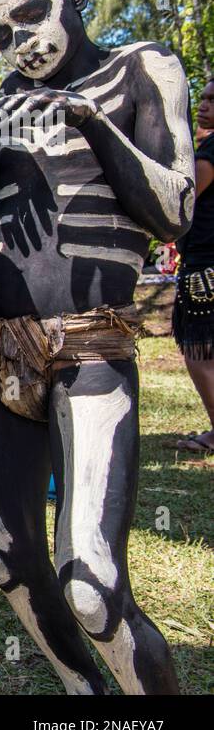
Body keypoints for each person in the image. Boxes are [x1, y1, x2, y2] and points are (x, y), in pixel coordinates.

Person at [0, 0, 191, 694]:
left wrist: (92, 124)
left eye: (32, 17)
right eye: (1, 34)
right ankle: (87, 694)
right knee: (7, 559)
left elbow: (173, 209)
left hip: (91, 346)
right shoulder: (6, 99)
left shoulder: (142, 68)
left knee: (91, 578)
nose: (22, 42)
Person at [174, 79, 214, 453]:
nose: (203, 105)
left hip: (204, 262)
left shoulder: (208, 155)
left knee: (197, 349)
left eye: (212, 100)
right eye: (201, 98)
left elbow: (181, 205)